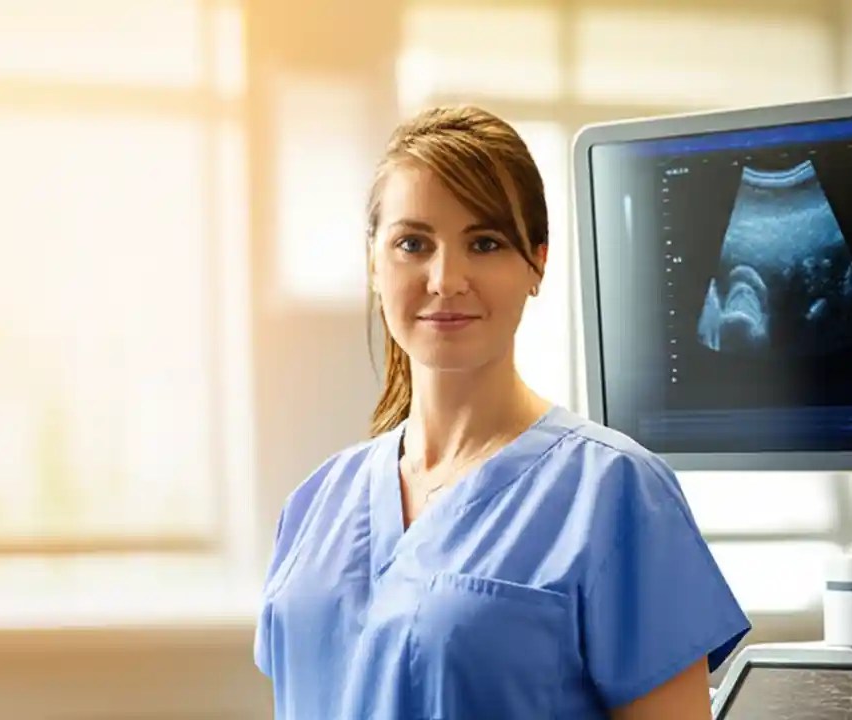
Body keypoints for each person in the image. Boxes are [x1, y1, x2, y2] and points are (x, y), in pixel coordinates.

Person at [254, 105, 751, 719]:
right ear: (374, 262)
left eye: (484, 243)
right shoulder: (314, 507)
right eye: (413, 243)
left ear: (536, 262)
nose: (446, 278)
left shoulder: (612, 493)